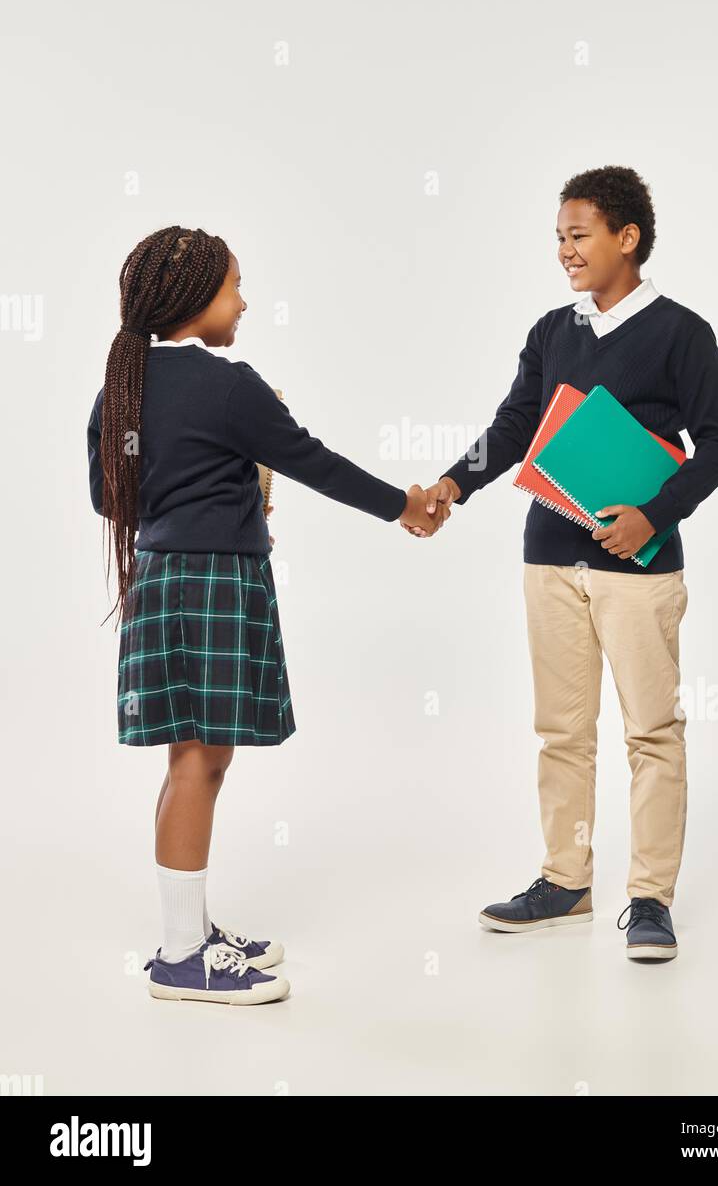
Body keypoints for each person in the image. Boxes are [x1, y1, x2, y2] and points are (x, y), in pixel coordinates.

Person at [87, 225, 447, 1005]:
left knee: (193, 759)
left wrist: (216, 492)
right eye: (233, 287)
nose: (243, 302)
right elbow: (313, 461)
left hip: (162, 577)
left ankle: (188, 934)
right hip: (214, 582)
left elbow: (106, 496)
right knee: (198, 762)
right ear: (194, 299)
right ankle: (183, 958)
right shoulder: (229, 384)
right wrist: (406, 507)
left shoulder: (124, 385)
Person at [413, 166, 718, 960]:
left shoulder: (681, 332)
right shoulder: (552, 332)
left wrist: (653, 514)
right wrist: (453, 484)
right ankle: (566, 881)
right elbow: (517, 421)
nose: (565, 250)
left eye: (580, 234)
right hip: (550, 558)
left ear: (627, 238)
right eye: (558, 236)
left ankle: (650, 899)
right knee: (562, 730)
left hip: (641, 567)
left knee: (652, 733)